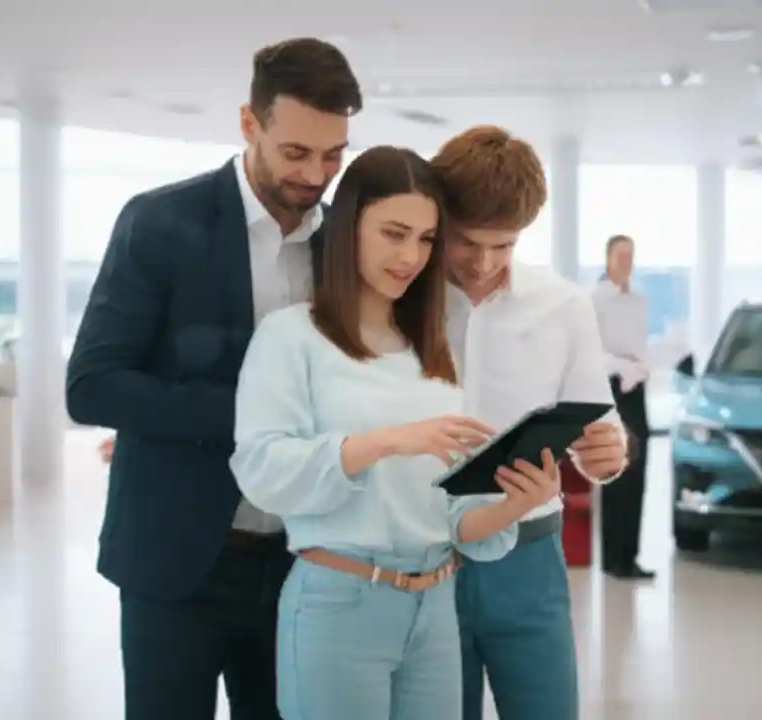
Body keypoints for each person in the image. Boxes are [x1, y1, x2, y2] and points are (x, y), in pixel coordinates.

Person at [65, 37, 362, 719]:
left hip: (304, 566)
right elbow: (92, 386)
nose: (315, 174)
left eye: (332, 155)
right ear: (249, 123)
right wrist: (258, 414)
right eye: (296, 151)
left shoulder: (343, 242)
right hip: (175, 562)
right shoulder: (160, 222)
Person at [231, 146, 561, 719]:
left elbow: (454, 519)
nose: (411, 256)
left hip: (436, 607)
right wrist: (388, 441)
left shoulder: (430, 349)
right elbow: (262, 471)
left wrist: (514, 504)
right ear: (349, 226)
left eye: (427, 239)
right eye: (394, 233)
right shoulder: (291, 336)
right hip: (339, 606)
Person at [428, 125, 630, 720]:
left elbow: (599, 421)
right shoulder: (400, 302)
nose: (483, 264)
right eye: (466, 242)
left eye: (504, 246)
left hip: (529, 557)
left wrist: (608, 455)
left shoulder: (563, 305)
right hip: (426, 556)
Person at [592, 234, 655, 581]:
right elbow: (591, 349)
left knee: (639, 466)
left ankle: (630, 555)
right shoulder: (595, 298)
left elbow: (639, 343)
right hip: (611, 385)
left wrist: (642, 366)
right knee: (615, 466)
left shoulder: (639, 298)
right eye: (620, 256)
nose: (626, 263)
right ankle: (612, 558)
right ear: (608, 259)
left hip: (637, 385)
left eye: (631, 256)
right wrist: (622, 367)